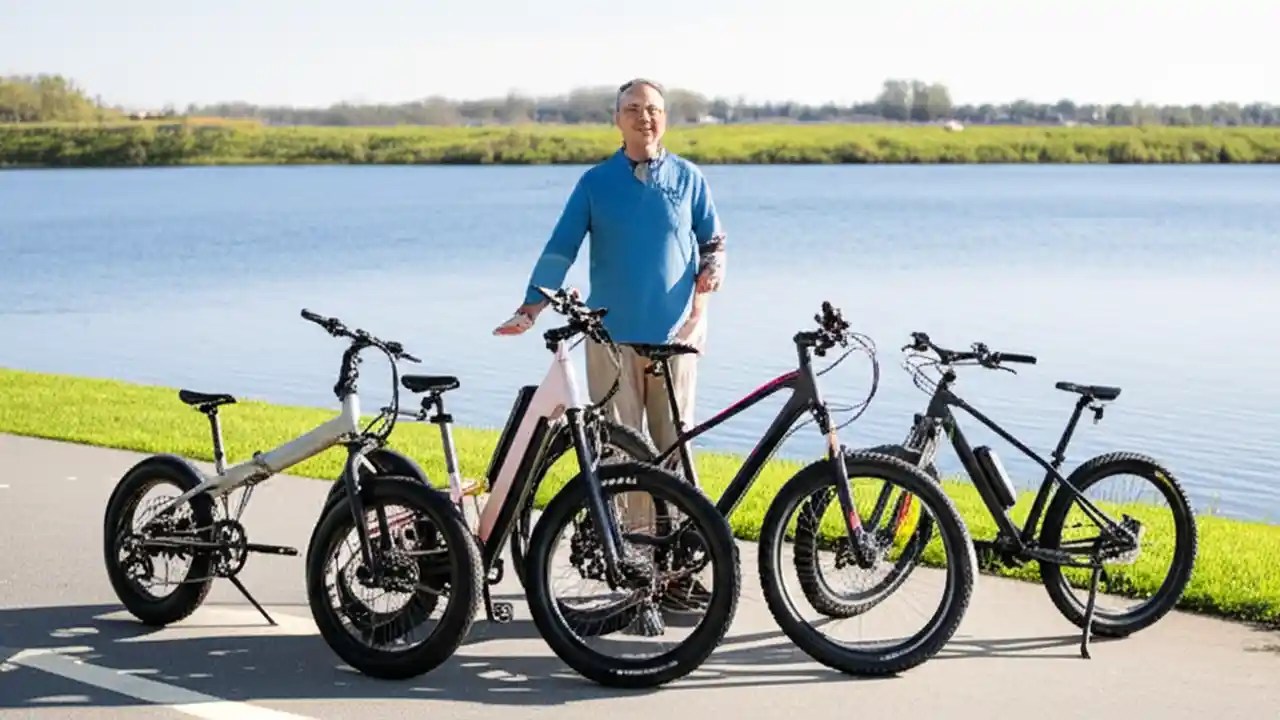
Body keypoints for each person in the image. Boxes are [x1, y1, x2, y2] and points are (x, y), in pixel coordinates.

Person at [493, 77, 727, 533]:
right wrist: (530, 309)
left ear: (665, 119)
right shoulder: (594, 183)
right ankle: (633, 556)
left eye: (654, 109)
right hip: (610, 341)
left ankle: (678, 556)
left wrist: (712, 271)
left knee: (674, 450)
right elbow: (561, 248)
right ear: (617, 120)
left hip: (674, 340)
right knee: (621, 454)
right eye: (634, 109)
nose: (645, 117)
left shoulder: (689, 177)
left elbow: (713, 242)